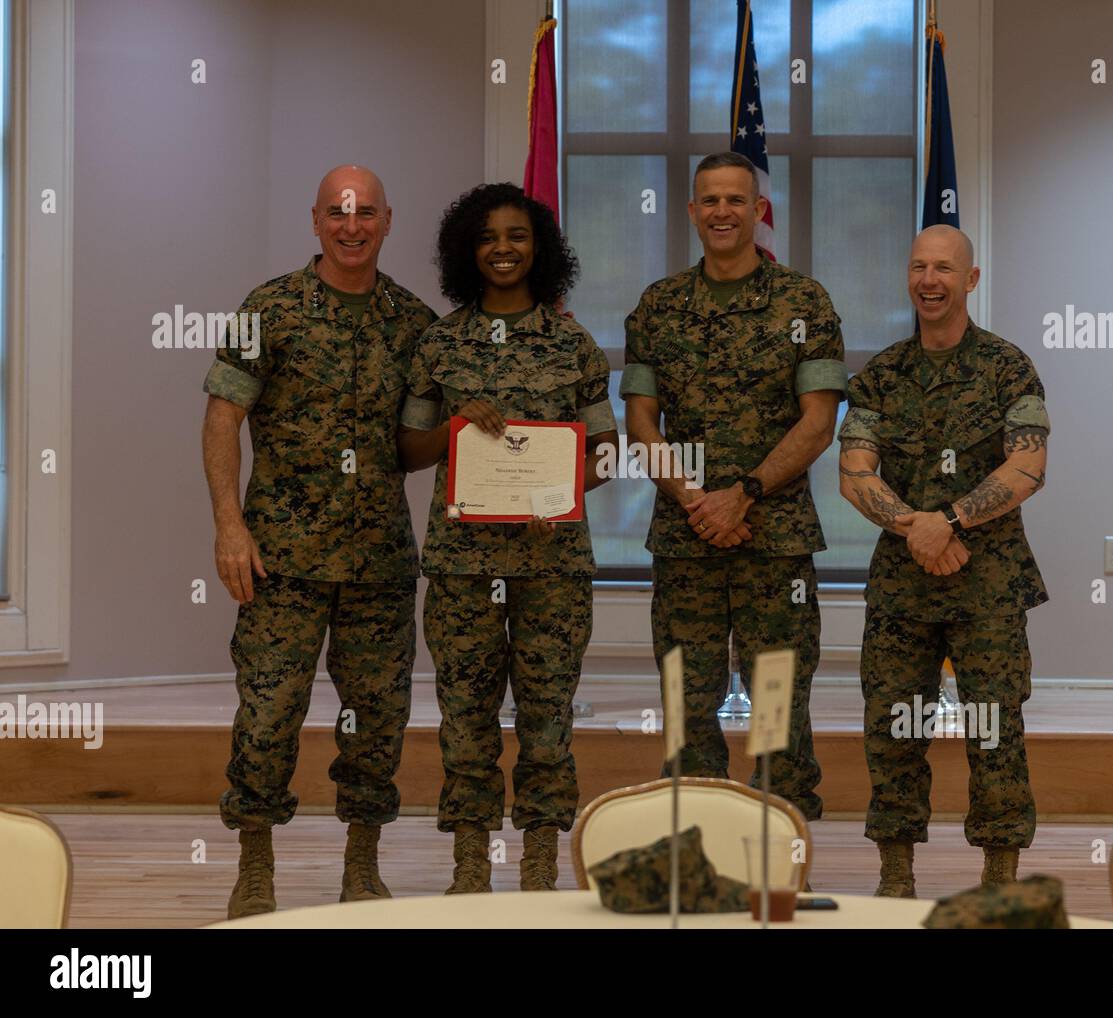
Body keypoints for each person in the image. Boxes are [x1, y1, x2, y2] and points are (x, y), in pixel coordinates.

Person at [201, 166, 436, 919]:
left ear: (387, 221)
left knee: (376, 721)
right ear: (315, 221)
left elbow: (413, 442)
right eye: (338, 213)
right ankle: (256, 867)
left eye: (365, 213)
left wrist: (467, 429)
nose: (351, 226)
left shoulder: (413, 322)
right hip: (281, 561)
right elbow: (221, 419)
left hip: (378, 564)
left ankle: (361, 869)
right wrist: (229, 525)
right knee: (267, 717)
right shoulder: (266, 309)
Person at [398, 183, 617, 892]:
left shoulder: (573, 345)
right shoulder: (439, 342)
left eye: (517, 235)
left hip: (551, 566)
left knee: (548, 716)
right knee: (465, 715)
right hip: (463, 567)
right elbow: (408, 448)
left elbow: (606, 455)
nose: (502, 247)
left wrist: (555, 497)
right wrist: (454, 424)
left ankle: (539, 865)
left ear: (540, 248)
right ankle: (469, 865)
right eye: (488, 236)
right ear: (469, 248)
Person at [620, 152, 846, 822]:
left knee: (777, 705)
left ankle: (782, 856)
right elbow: (640, 423)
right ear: (691, 212)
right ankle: (698, 846)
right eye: (709, 200)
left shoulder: (805, 303)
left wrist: (741, 494)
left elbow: (818, 424)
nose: (722, 212)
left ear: (758, 211)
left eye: (735, 200)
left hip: (773, 543)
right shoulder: (658, 307)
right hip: (687, 541)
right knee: (687, 707)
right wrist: (697, 502)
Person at [838, 224, 1049, 897]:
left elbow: (1028, 466)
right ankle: (896, 880)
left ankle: (999, 883)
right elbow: (853, 472)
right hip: (903, 584)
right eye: (918, 268)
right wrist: (915, 528)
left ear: (971, 280)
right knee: (893, 726)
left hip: (988, 582)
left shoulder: (1007, 366)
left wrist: (950, 520)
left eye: (945, 269)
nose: (930, 281)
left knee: (994, 727)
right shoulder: (879, 374)